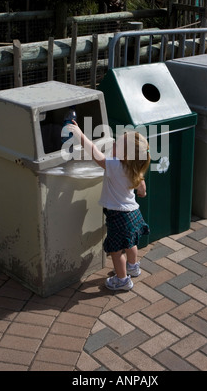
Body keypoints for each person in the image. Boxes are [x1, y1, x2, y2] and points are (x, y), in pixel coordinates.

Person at [67, 121, 151, 291]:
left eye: (118, 144)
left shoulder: (114, 166)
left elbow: (95, 152)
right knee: (131, 243)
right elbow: (142, 191)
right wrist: (142, 193)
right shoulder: (135, 170)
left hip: (119, 216)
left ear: (125, 156)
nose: (114, 143)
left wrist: (79, 134)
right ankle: (133, 267)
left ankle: (122, 280)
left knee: (116, 251)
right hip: (134, 213)